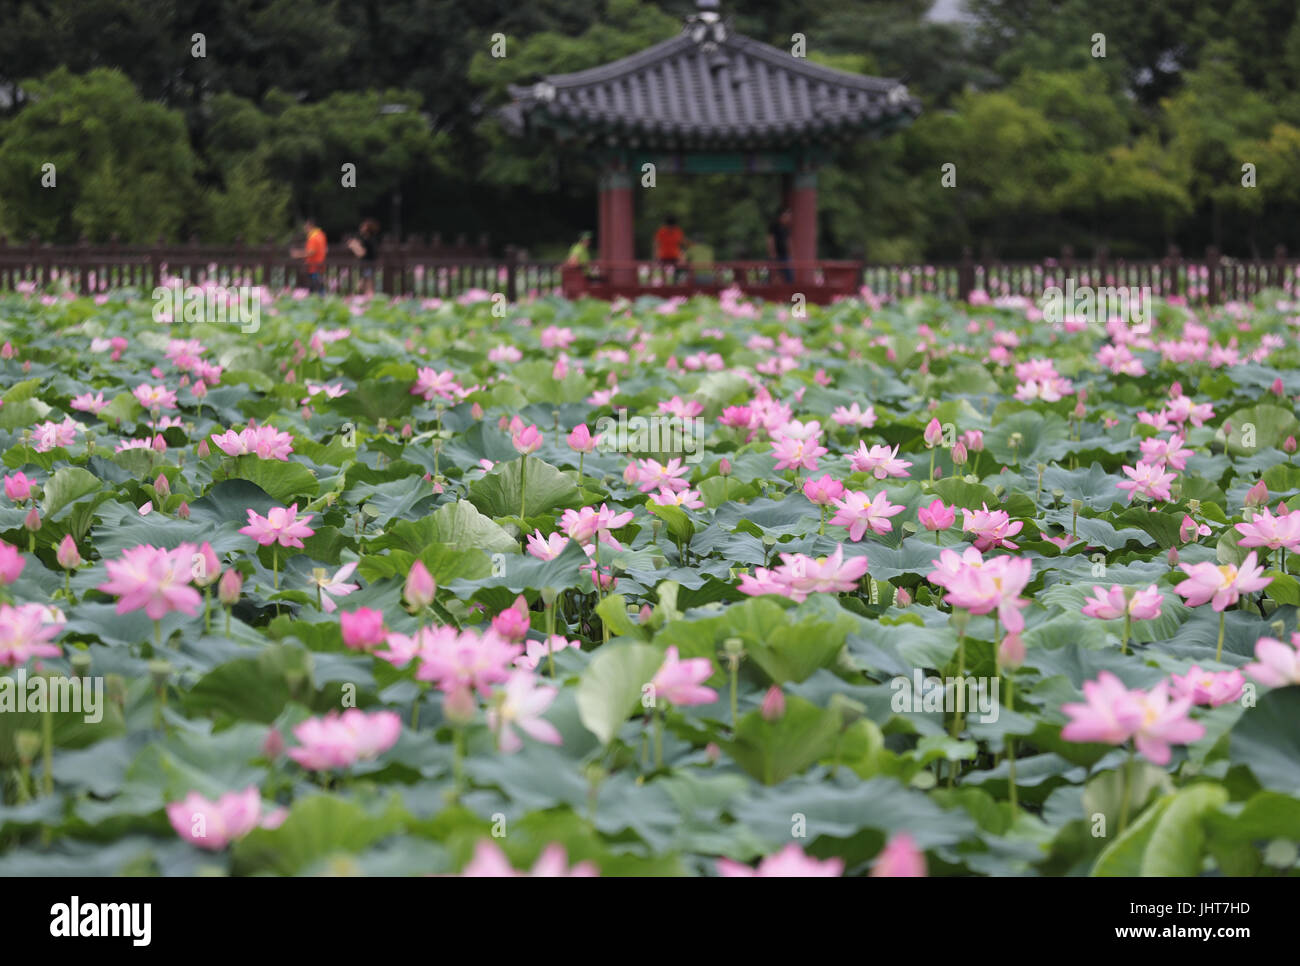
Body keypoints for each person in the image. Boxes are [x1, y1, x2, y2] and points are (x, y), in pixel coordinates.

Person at [291, 217, 328, 294]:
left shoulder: (313, 237)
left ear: (311, 226)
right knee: (319, 286)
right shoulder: (321, 235)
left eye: (306, 226)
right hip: (320, 265)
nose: (304, 228)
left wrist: (297, 254)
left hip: (313, 266)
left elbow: (311, 252)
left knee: (316, 288)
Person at [346, 219, 380, 295]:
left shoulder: (367, 240)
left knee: (366, 286)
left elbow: (361, 253)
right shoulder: (372, 239)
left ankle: (367, 301)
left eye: (363, 227)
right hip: (369, 265)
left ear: (367, 229)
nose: (361, 228)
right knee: (364, 285)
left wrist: (353, 246)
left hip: (367, 265)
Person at [654, 215, 688, 283]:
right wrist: (682, 256)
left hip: (663, 255)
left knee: (663, 273)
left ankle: (664, 285)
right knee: (677, 273)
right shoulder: (677, 231)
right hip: (675, 255)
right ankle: (675, 285)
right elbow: (682, 245)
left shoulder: (661, 231)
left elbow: (656, 244)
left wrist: (655, 255)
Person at [768, 207, 793, 283]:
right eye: (787, 216)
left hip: (785, 255)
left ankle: (790, 291)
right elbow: (770, 240)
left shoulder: (786, 228)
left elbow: (788, 241)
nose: (788, 218)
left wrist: (790, 253)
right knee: (773, 275)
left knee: (789, 276)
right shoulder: (774, 226)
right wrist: (772, 253)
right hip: (777, 255)